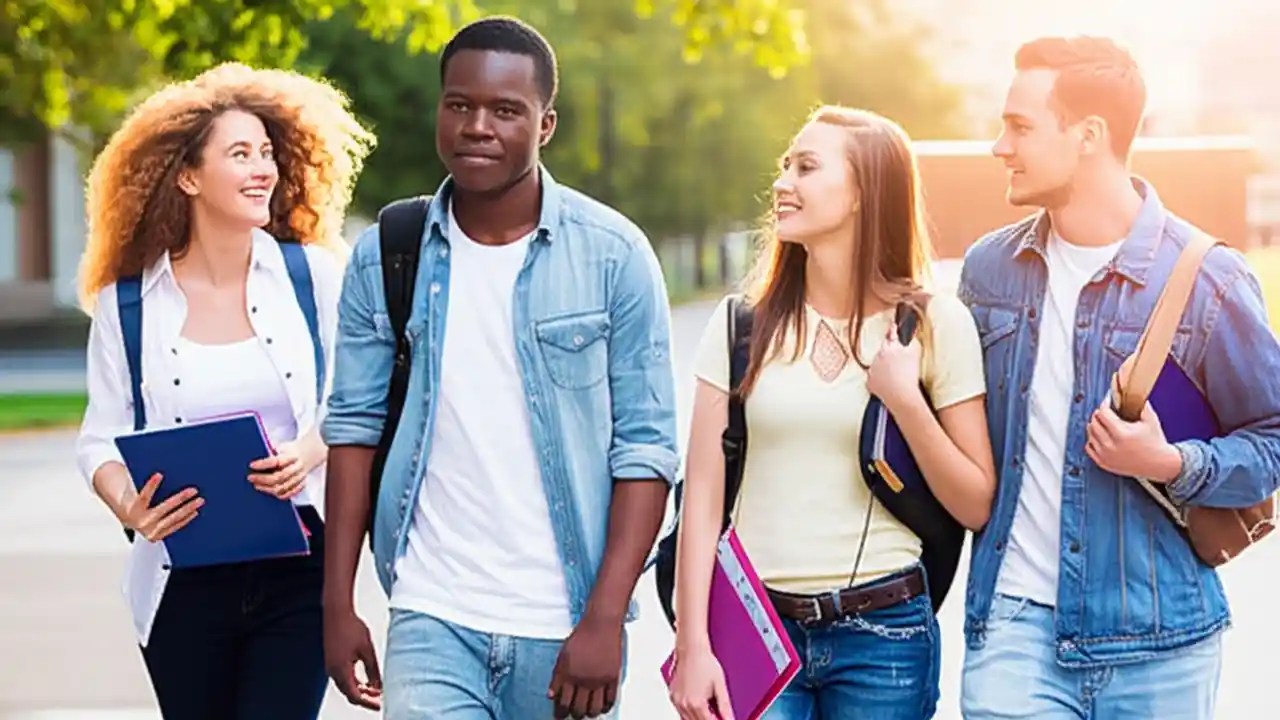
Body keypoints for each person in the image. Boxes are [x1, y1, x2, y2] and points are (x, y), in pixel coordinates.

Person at [320, 16, 679, 720]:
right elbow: (353, 433)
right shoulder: (389, 253)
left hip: (564, 624)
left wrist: (605, 620)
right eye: (459, 105)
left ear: (545, 125)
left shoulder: (614, 256)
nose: (477, 126)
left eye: (505, 110)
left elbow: (645, 451)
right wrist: (337, 602)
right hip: (432, 611)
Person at [958, 36, 1280, 719]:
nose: (998, 147)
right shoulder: (987, 273)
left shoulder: (1208, 279)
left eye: (1019, 127)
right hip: (1014, 634)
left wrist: (1170, 462)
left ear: (1088, 135)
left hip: (1161, 644)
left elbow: (1272, 440)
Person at [668, 105, 997, 720]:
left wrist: (905, 401)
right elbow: (702, 503)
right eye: (786, 165)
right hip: (757, 632)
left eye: (808, 167)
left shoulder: (933, 325)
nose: (784, 182)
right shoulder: (741, 326)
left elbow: (976, 502)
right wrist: (692, 644)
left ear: (861, 195)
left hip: (885, 639)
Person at [74, 62, 373, 719]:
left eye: (267, 152)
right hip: (181, 574)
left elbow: (363, 395)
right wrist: (131, 508)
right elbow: (99, 439)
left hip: (300, 566)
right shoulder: (128, 305)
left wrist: (311, 448)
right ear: (186, 176)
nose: (262, 168)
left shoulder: (314, 277)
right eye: (240, 154)